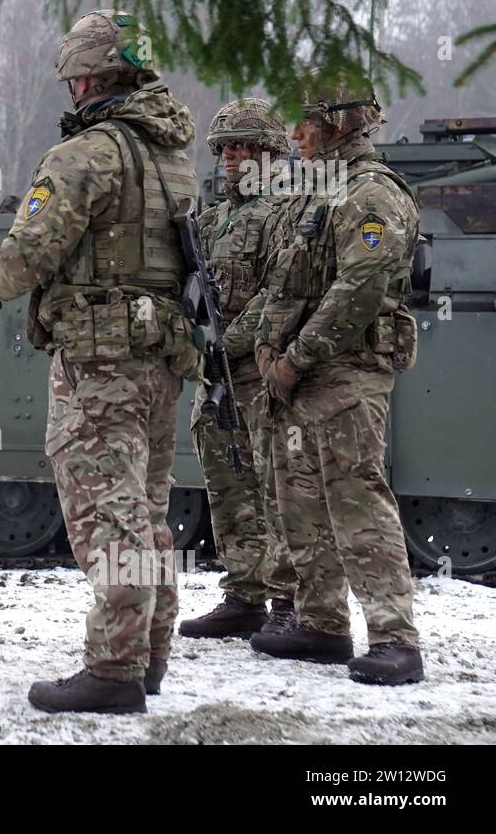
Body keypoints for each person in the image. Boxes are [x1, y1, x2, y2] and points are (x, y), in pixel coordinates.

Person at [0, 10, 199, 714]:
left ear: (90, 77)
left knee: (109, 513)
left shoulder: (87, 155)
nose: (69, 89)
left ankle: (114, 667)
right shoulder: (173, 159)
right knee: (148, 510)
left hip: (100, 361)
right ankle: (148, 653)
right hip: (160, 356)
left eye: (73, 77)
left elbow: (27, 255)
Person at [249, 71, 424, 685]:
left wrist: (295, 357)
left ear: (341, 122)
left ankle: (394, 636)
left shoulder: (370, 193)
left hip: (345, 373)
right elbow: (290, 283)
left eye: (306, 120)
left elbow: (360, 288)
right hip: (304, 376)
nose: (293, 134)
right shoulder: (322, 189)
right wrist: (273, 353)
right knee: (302, 499)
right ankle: (321, 623)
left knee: (356, 497)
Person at [179, 98, 298, 639]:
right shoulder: (209, 218)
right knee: (227, 486)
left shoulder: (287, 211)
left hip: (260, 371)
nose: (233, 156)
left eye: (246, 146)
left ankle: (289, 601)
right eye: (226, 147)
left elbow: (282, 292)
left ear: (271, 152)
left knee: (276, 487)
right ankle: (243, 592)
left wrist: (230, 341)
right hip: (216, 371)